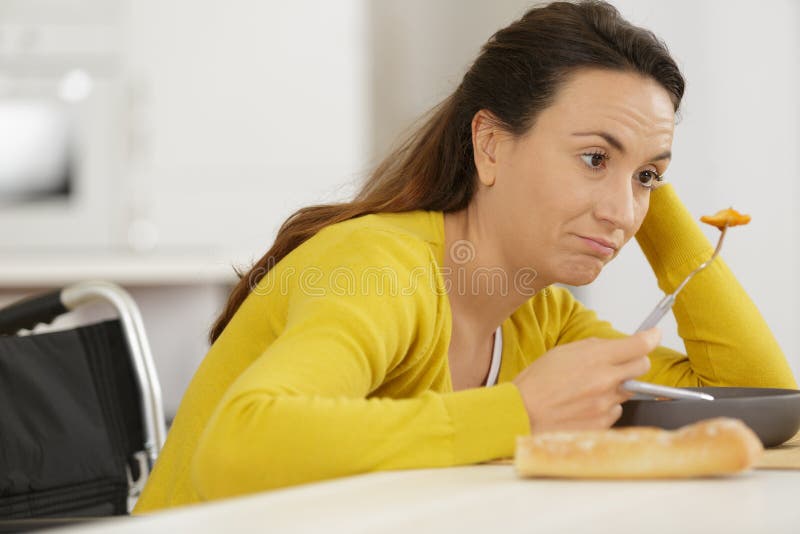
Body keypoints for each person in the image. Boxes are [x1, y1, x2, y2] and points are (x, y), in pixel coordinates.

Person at [134, 0, 796, 512]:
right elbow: (239, 444)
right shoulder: (379, 268)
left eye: (647, 180)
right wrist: (521, 413)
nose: (624, 213)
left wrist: (654, 191)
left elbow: (765, 407)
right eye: (593, 158)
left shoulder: (545, 322)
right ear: (491, 146)